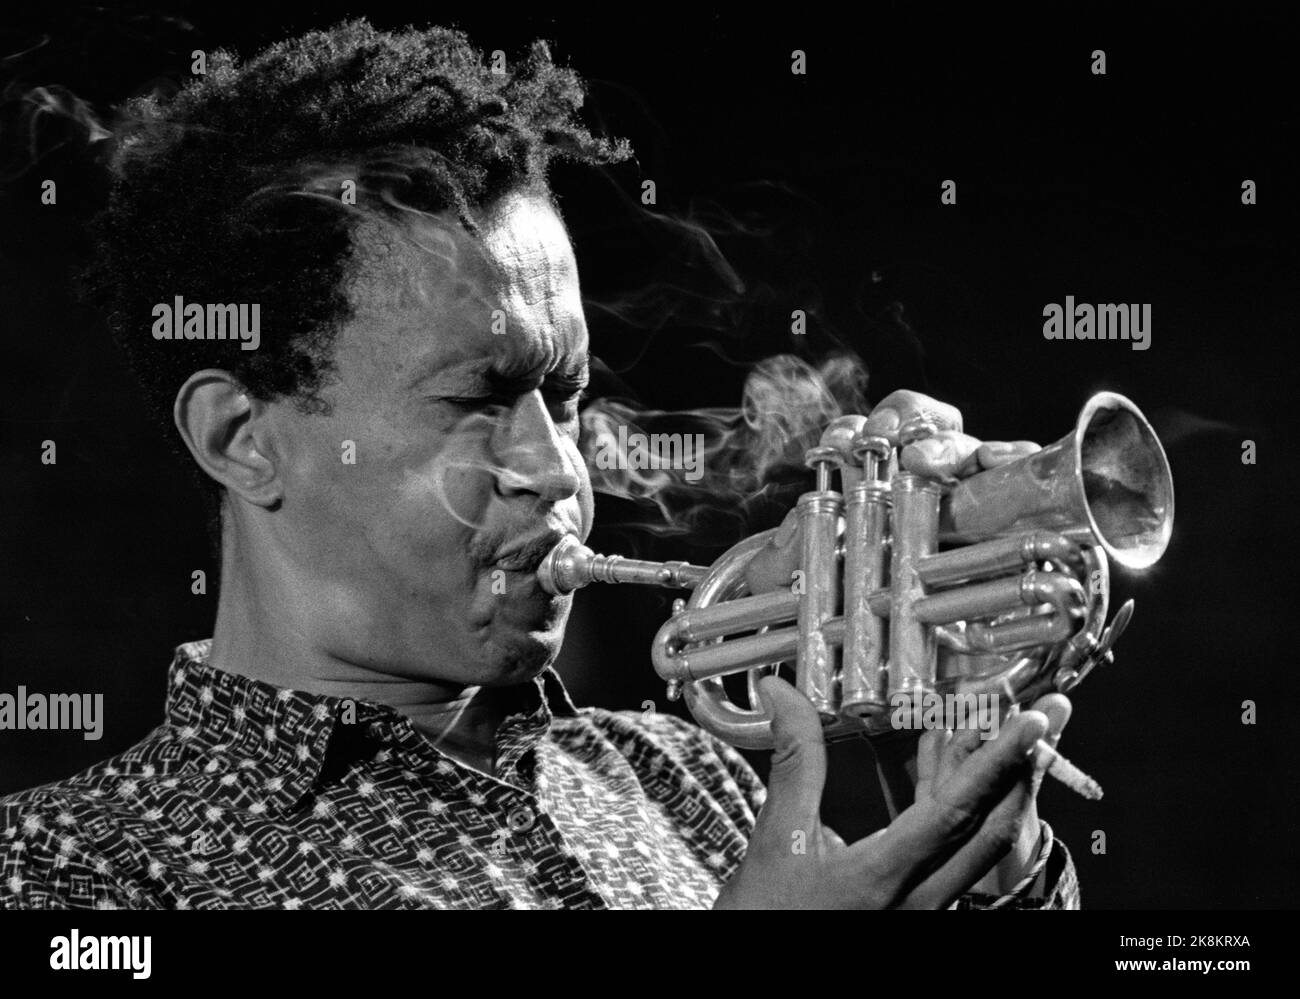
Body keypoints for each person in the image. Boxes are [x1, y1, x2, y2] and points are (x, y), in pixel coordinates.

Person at [0, 20, 1077, 909]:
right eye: (476, 401)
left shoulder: (678, 771)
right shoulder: (75, 872)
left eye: (562, 397)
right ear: (244, 440)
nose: (561, 472)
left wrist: (981, 851)